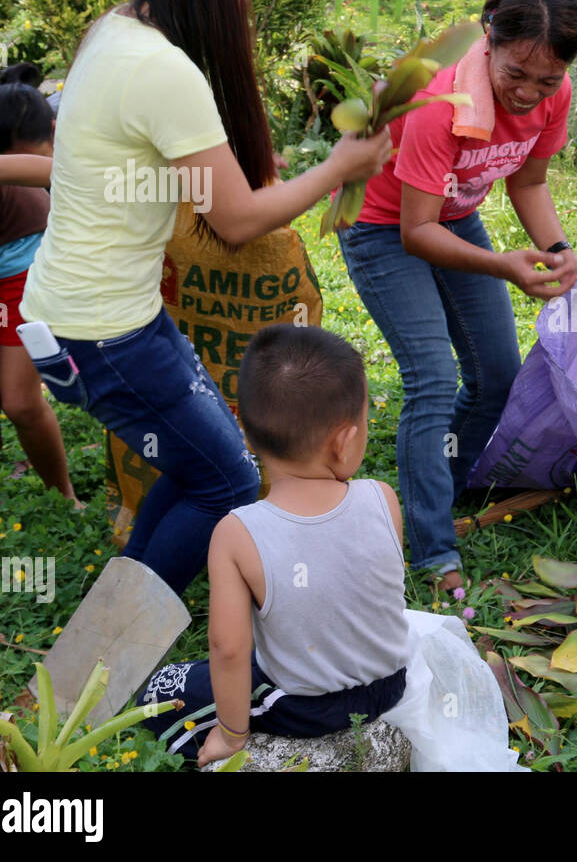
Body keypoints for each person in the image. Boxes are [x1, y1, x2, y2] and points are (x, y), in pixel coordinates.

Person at [18, 0, 393, 594]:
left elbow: (134, 172)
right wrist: (345, 164)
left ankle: (124, 600)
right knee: (225, 481)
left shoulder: (116, 29)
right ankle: (115, 648)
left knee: (206, 468)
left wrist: (240, 172)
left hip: (93, 310)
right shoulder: (166, 71)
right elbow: (241, 219)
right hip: (102, 330)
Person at [339, 0, 577, 592]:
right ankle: (433, 549)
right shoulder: (443, 103)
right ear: (488, 40)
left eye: (546, 81)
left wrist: (560, 253)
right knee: (433, 377)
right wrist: (506, 266)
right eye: (515, 73)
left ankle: (443, 485)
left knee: (498, 374)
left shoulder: (554, 93)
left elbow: (529, 184)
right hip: (382, 224)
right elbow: (416, 232)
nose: (528, 94)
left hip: (455, 215)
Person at [137, 325, 409, 766]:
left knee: (163, 690)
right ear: (344, 441)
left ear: (244, 433)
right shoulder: (383, 498)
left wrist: (230, 735)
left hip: (305, 707)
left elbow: (228, 649)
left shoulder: (237, 531)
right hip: (390, 684)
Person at [0, 71, 75, 499]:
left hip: (18, 254)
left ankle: (66, 499)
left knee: (21, 402)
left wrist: (86, 176)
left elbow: (3, 165)